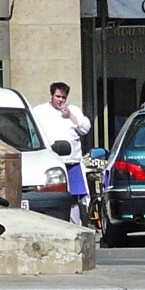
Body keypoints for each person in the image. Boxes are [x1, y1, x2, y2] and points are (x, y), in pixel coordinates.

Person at [31, 81, 93, 226]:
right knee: (51, 198)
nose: (60, 100)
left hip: (72, 163)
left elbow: (85, 128)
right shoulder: (39, 111)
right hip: (49, 164)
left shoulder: (73, 110)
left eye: (63, 97)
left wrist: (70, 115)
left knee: (73, 199)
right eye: (58, 96)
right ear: (51, 95)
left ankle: (75, 228)